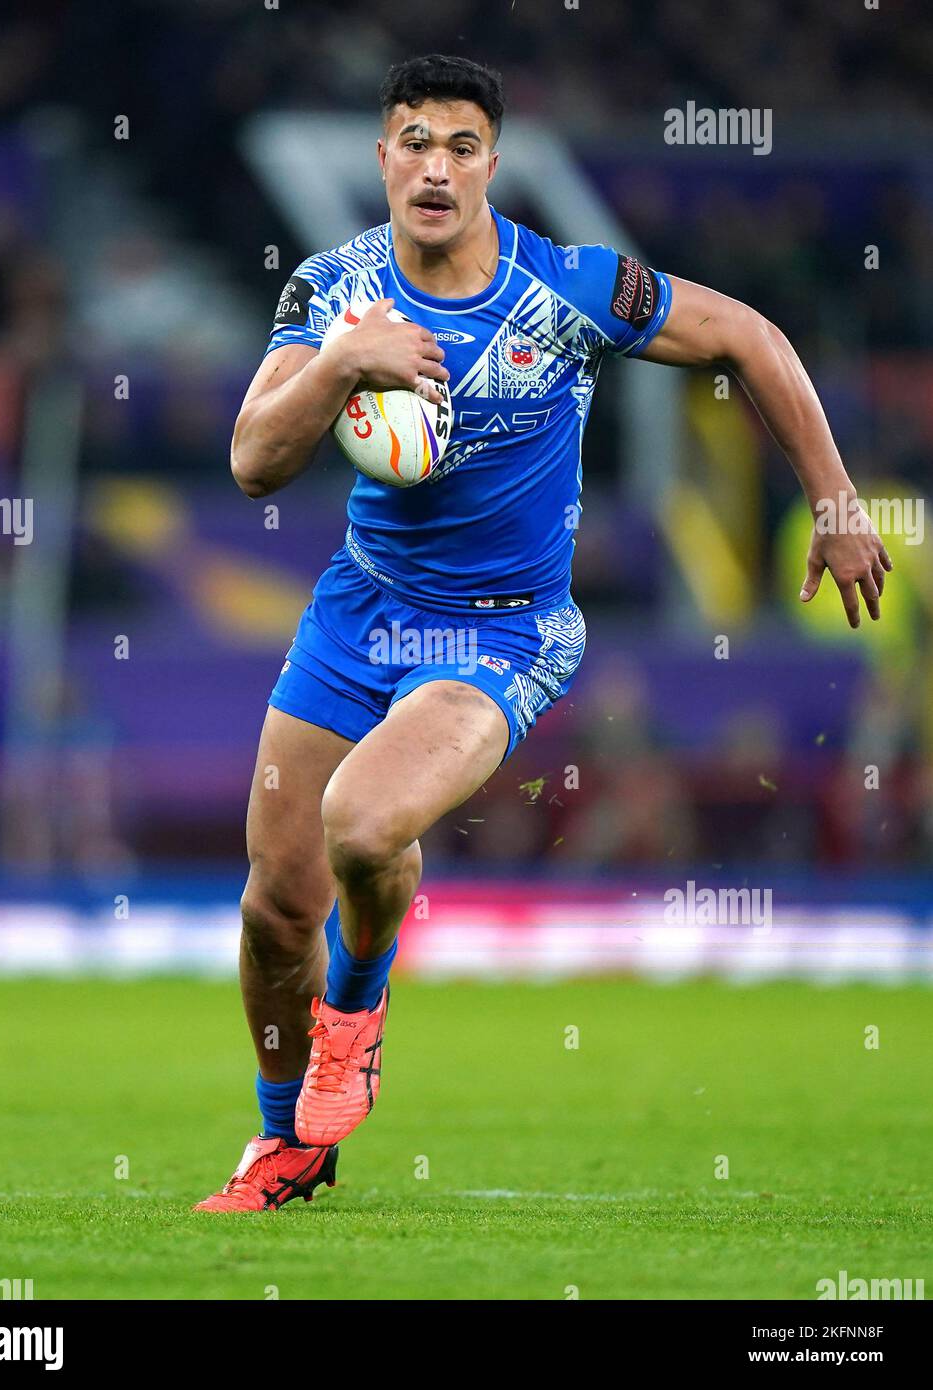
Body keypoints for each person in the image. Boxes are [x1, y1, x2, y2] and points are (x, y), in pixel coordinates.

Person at [194, 53, 891, 1212]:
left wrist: (834, 498)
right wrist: (344, 365)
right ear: (382, 159)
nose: (434, 166)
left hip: (500, 634)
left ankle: (354, 1012)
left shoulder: (567, 288)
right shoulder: (333, 290)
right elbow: (253, 461)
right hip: (357, 612)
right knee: (275, 904)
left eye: (460, 146)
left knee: (364, 826)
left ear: (490, 166)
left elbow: (747, 335)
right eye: (413, 141)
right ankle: (287, 1150)